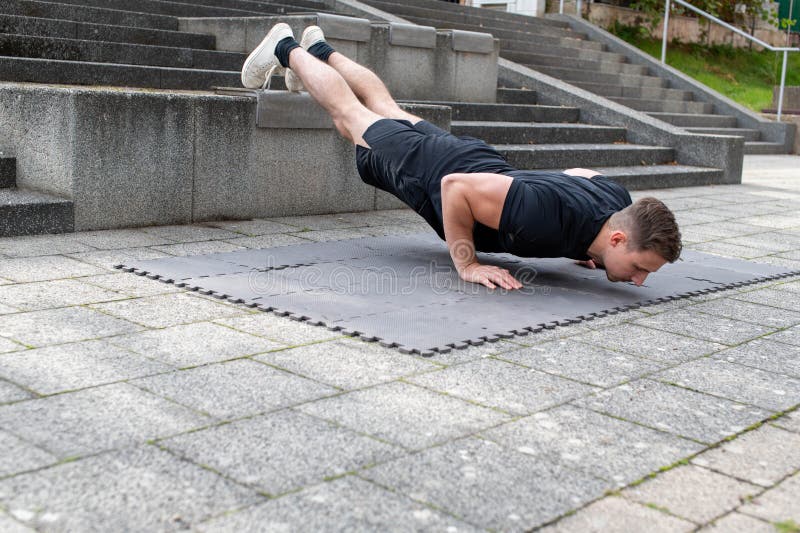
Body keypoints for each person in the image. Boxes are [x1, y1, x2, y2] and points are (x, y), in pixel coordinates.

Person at [241, 23, 682, 291]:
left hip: (474, 159)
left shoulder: (615, 202)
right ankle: (285, 48)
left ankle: (320, 53)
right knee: (350, 117)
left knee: (387, 109)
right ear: (622, 239)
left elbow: (579, 174)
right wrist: (467, 263)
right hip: (435, 169)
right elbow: (455, 189)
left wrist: (593, 248)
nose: (640, 280)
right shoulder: (541, 215)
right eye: (640, 268)